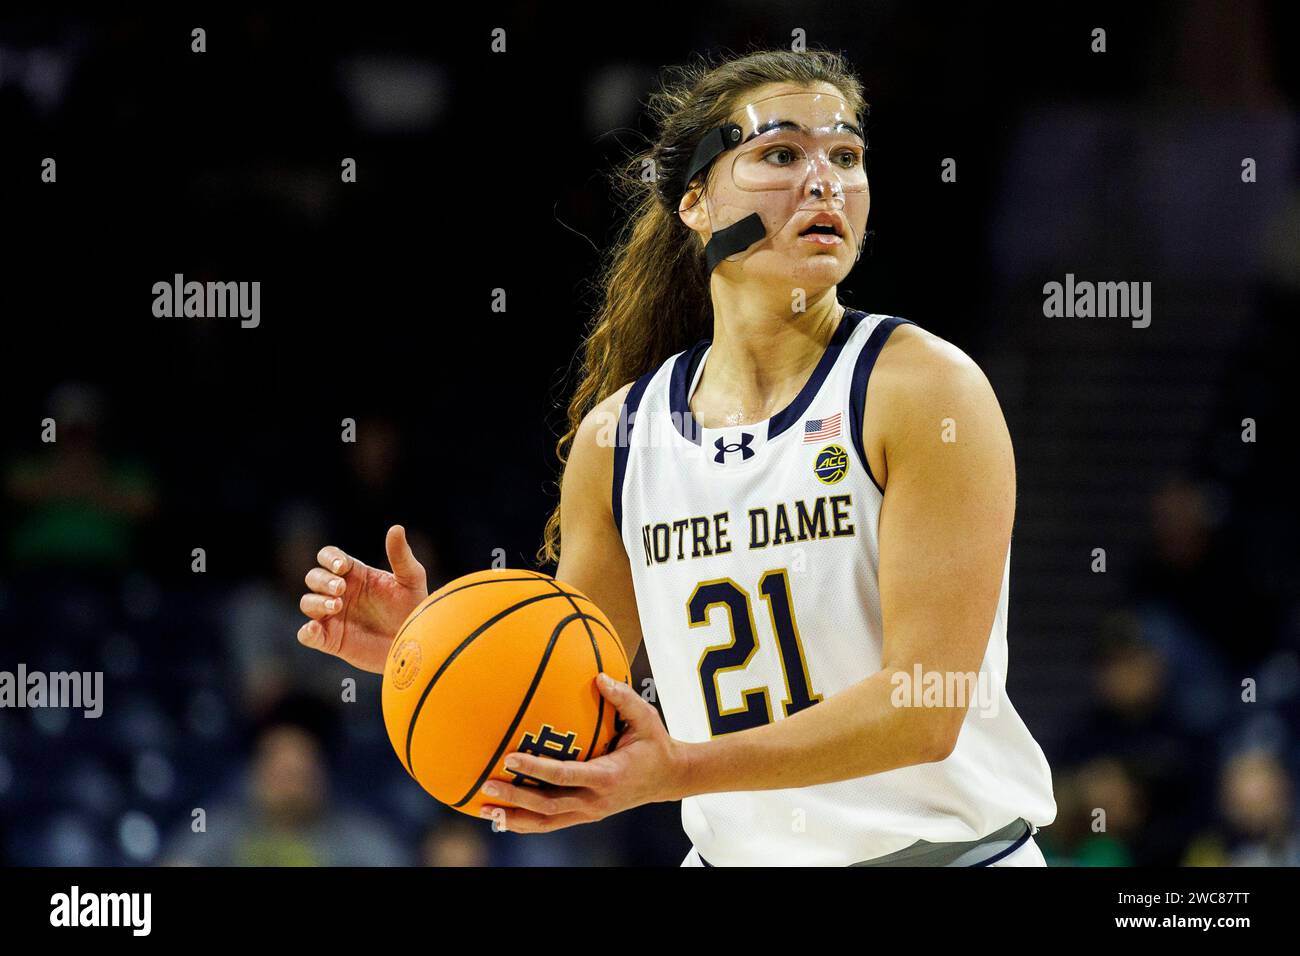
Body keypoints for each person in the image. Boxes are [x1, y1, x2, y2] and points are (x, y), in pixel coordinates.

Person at [296, 48, 1056, 866]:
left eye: (846, 156)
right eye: (779, 153)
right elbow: (573, 701)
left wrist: (680, 771)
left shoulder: (922, 392)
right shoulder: (620, 438)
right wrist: (436, 646)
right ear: (695, 202)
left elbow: (923, 713)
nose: (825, 178)